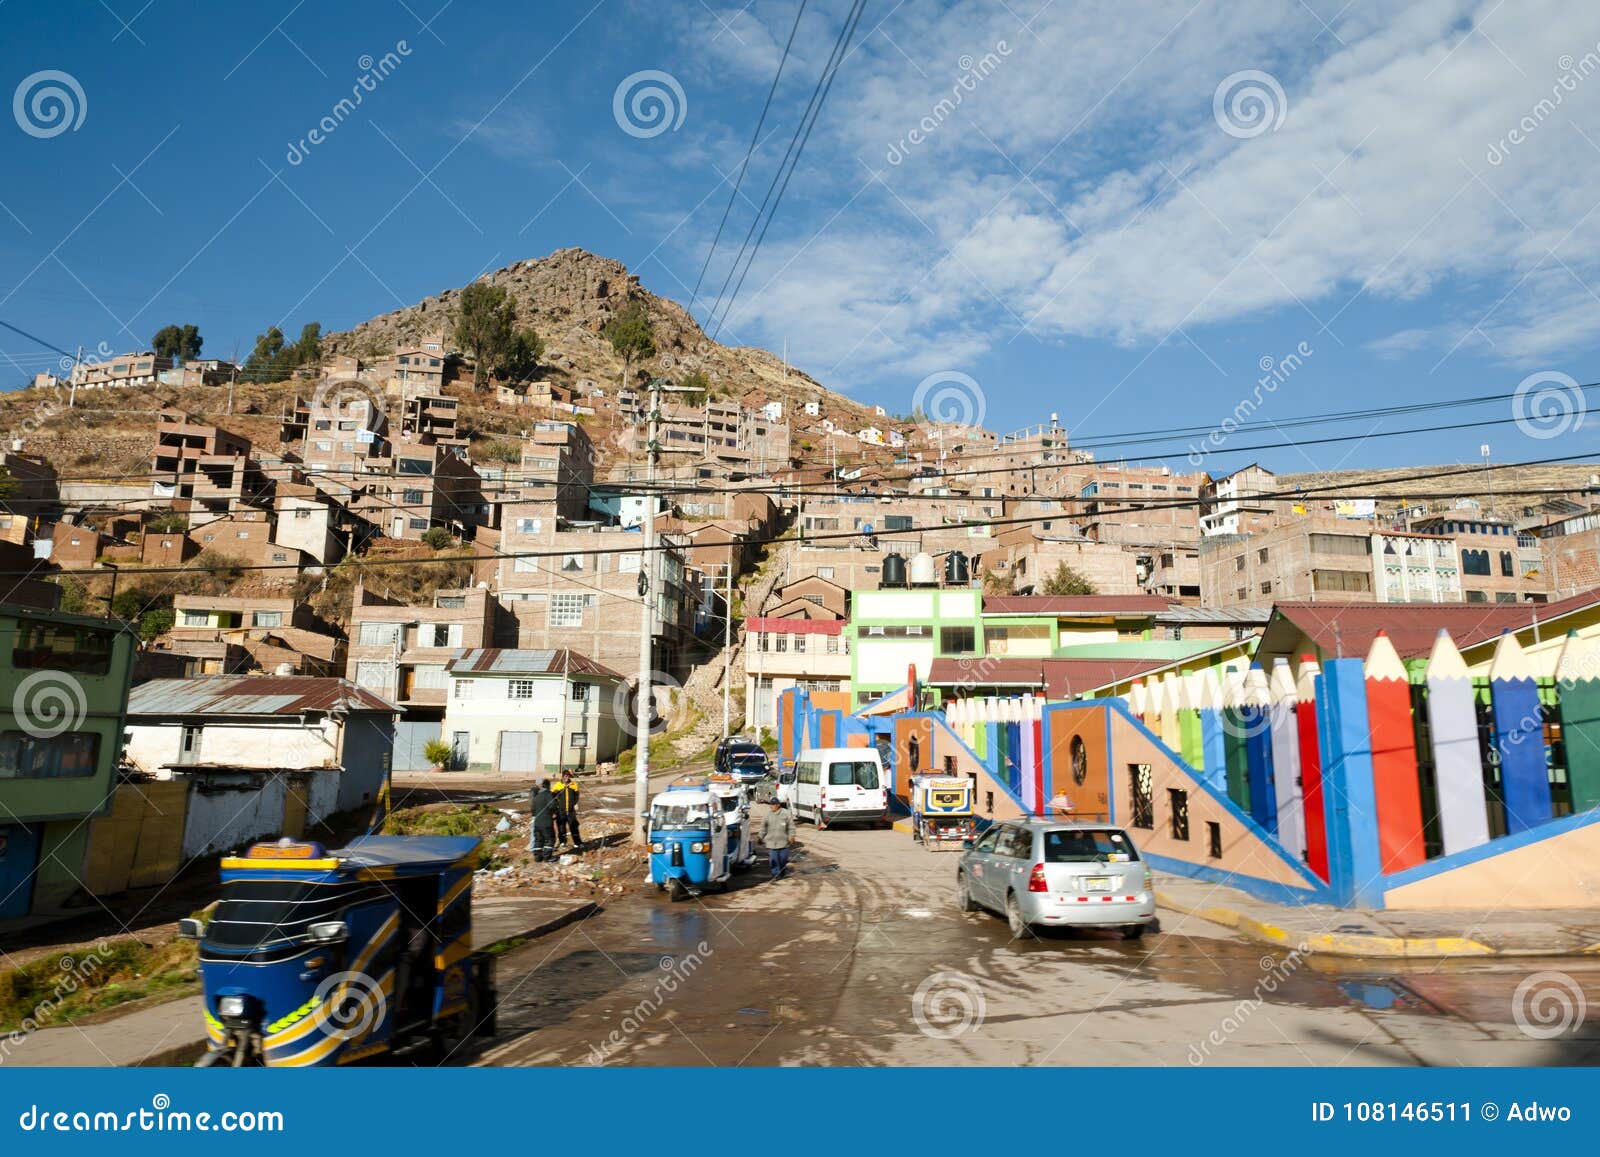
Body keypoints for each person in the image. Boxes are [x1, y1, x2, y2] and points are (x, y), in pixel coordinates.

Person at [761, 796, 795, 881]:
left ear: (778, 805)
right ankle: (775, 874)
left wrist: (791, 836)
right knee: (773, 859)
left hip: (783, 842)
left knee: (783, 859)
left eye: (773, 804)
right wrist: (760, 836)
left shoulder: (786, 813)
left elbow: (791, 826)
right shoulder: (767, 815)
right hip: (771, 842)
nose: (771, 806)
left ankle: (782, 871)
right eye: (770, 804)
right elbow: (763, 827)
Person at [529, 779, 558, 862]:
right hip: (546, 822)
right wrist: (554, 812)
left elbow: (533, 810)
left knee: (538, 839)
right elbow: (552, 805)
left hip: (537, 823)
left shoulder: (536, 796)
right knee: (550, 839)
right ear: (547, 786)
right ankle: (547, 857)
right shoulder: (548, 794)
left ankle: (538, 857)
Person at [553, 769, 582, 850]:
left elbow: (577, 795)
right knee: (561, 828)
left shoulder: (573, 785)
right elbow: (552, 796)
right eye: (565, 776)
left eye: (568, 776)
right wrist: (556, 805)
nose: (567, 777)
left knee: (574, 827)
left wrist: (574, 803)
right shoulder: (557, 785)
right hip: (561, 811)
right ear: (562, 776)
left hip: (570, 811)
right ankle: (562, 842)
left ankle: (578, 843)